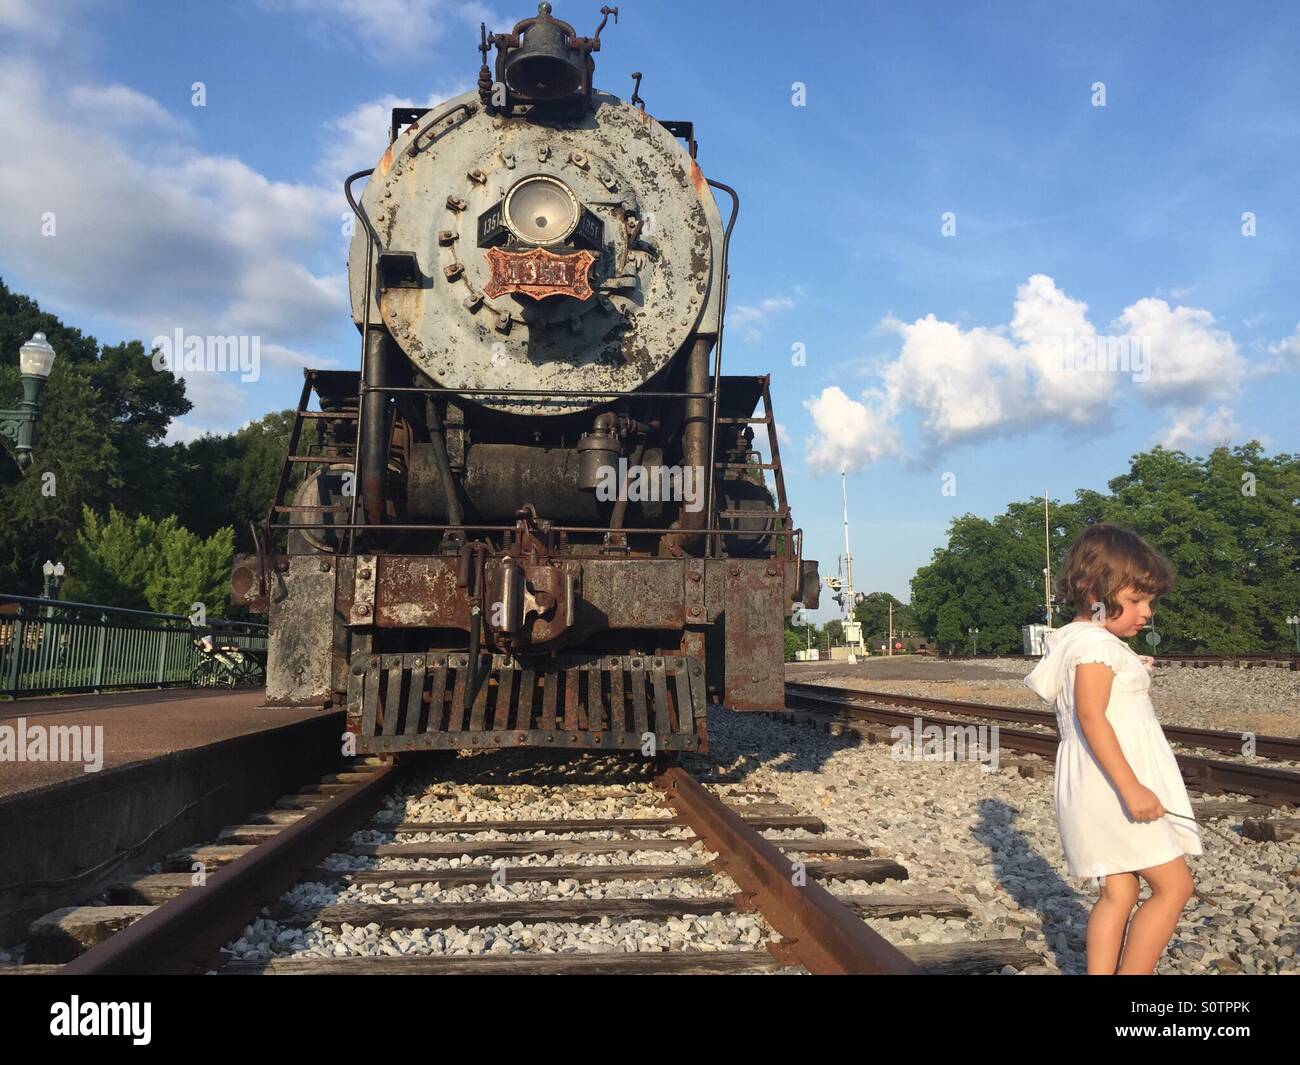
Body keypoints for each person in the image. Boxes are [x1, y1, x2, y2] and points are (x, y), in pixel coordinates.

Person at [1025, 524, 1201, 975]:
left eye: (1151, 602)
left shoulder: (1081, 641)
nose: (1147, 612)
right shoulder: (1096, 646)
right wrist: (1133, 788)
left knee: (1119, 892)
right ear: (1095, 591)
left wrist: (1129, 666)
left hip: (1095, 783)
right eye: (1138, 599)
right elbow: (1092, 716)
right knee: (1174, 887)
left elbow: (1100, 702)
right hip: (1116, 786)